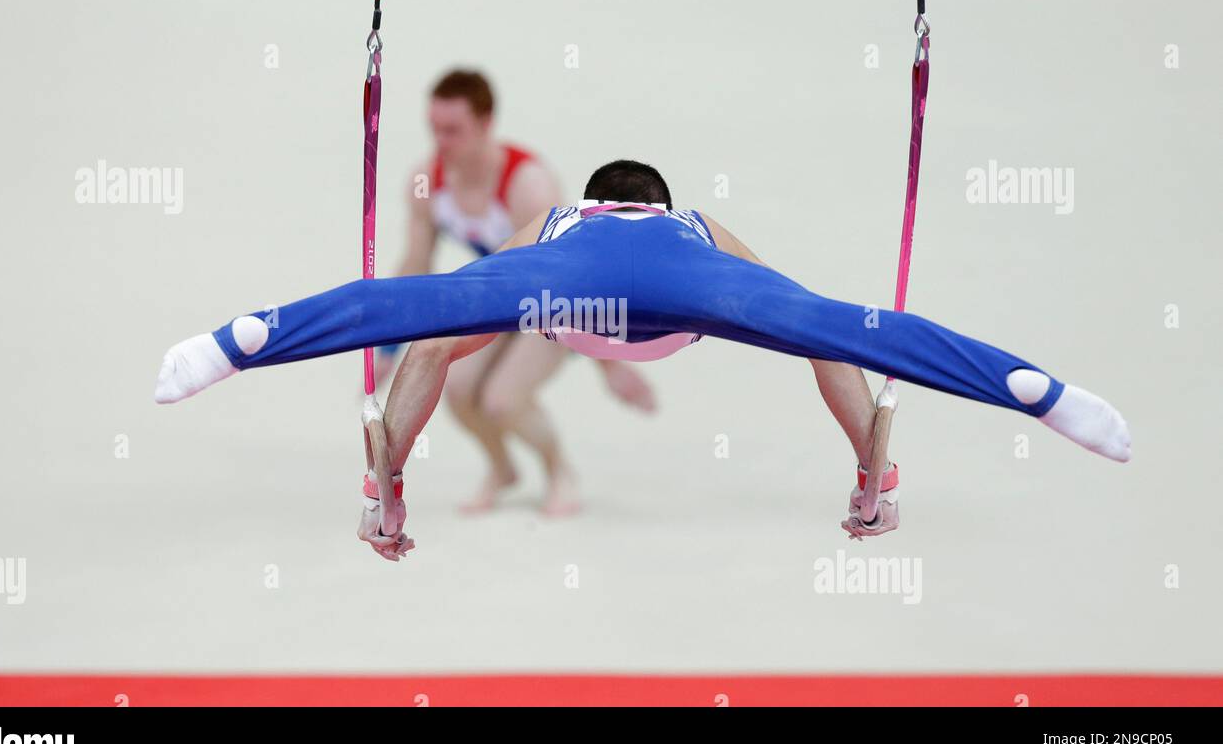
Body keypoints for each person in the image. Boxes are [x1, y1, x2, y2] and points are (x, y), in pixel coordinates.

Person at [155, 160, 1131, 561]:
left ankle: (246, 344)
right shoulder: (699, 228)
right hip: (690, 300)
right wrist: (868, 457)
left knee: (417, 317)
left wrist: (388, 473)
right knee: (836, 326)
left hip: (560, 292)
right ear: (661, 206)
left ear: (592, 203)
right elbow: (808, 324)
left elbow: (443, 333)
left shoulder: (555, 224)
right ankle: (1028, 390)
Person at [377, 70, 656, 516]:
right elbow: (414, 267)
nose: (440, 141)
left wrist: (609, 365)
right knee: (456, 389)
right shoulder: (426, 182)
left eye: (453, 130)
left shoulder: (528, 184)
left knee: (502, 399)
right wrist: (387, 347)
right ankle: (502, 468)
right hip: (500, 300)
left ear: (487, 124)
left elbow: (573, 277)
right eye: (434, 128)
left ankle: (559, 471)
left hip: (553, 306)